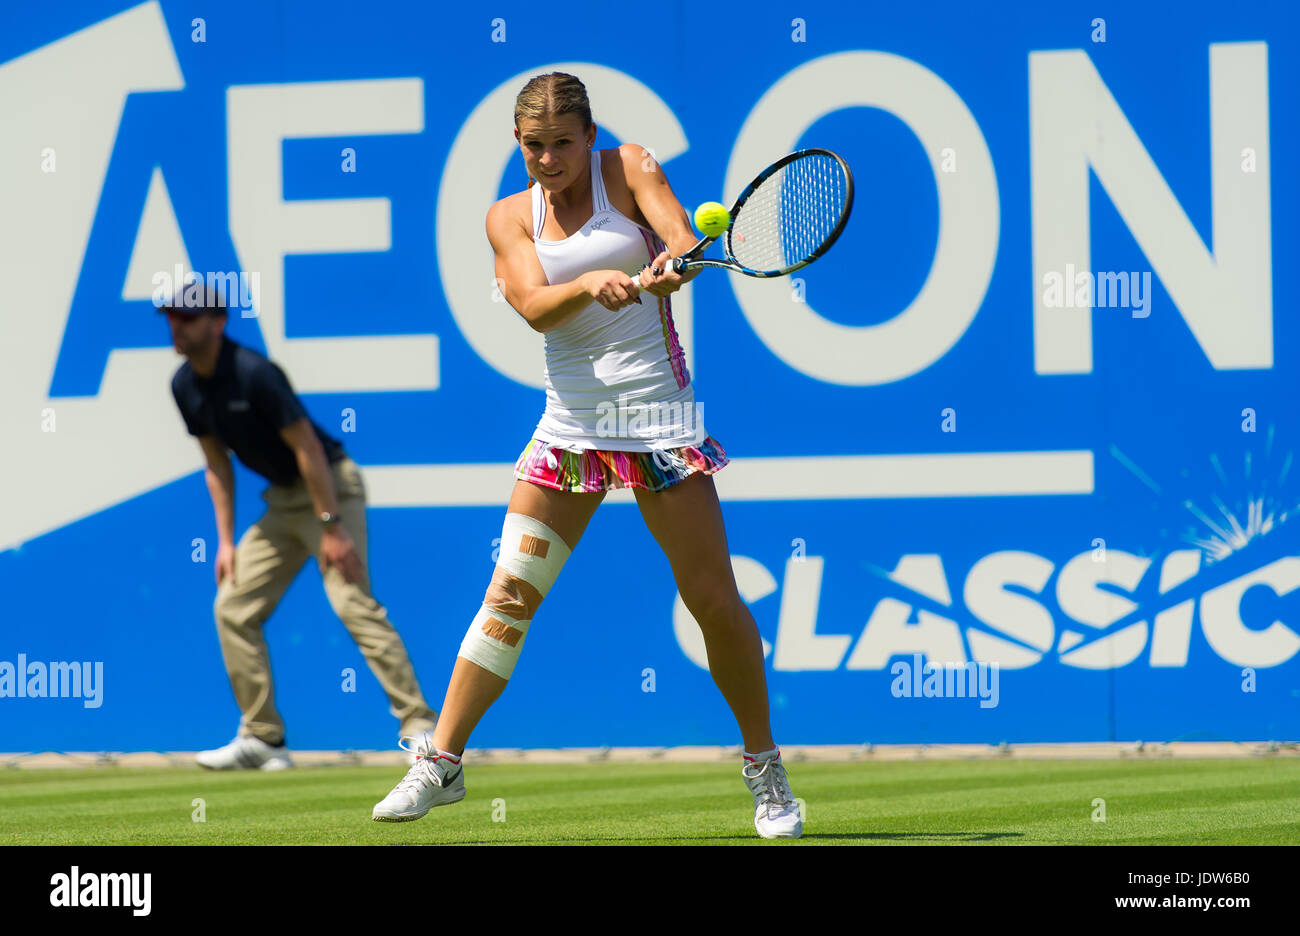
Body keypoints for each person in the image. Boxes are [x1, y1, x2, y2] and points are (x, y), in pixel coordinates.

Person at [371, 73, 800, 838]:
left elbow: (682, 243)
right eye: (533, 146)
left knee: (712, 601)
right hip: (569, 430)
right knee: (508, 595)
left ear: (589, 136)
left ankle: (766, 772)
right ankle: (443, 760)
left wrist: (677, 262)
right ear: (518, 144)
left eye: (561, 144)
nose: (547, 159)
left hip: (658, 423)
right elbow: (536, 307)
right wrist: (593, 282)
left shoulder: (632, 167)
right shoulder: (507, 218)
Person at [163, 279, 437, 770]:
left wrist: (332, 526)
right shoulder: (184, 386)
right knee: (233, 607)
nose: (176, 327)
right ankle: (264, 738)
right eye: (171, 317)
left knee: (352, 604)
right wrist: (224, 541)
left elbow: (308, 447)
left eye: (187, 317)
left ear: (218, 322)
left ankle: (420, 729)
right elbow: (217, 467)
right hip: (283, 504)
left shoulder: (255, 373)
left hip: (330, 490)